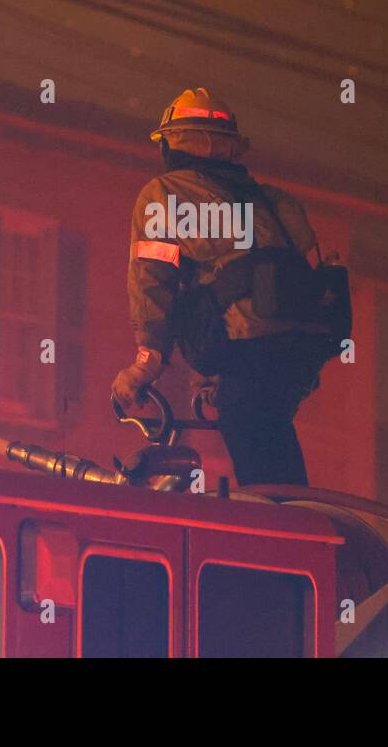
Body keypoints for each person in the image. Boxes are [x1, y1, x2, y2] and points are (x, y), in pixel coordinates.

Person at [111, 87, 333, 486]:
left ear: (174, 142)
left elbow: (153, 284)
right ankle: (301, 529)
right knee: (277, 456)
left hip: (249, 356)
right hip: (299, 357)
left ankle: (285, 540)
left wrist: (145, 366)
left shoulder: (163, 195)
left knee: (264, 483)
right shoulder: (275, 202)